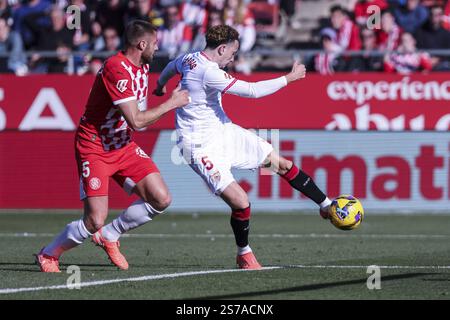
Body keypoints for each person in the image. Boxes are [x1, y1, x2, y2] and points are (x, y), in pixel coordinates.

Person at [153, 25, 332, 270]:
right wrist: (289, 78)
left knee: (280, 163)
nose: (233, 58)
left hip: (223, 131)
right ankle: (244, 254)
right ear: (222, 48)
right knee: (241, 201)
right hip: (197, 145)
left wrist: (160, 85)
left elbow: (171, 65)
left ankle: (326, 205)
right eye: (233, 52)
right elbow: (252, 91)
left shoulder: (189, 58)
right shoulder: (209, 71)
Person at [35, 20, 190, 273]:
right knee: (94, 219)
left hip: (122, 146)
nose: (157, 48)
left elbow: (138, 116)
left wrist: (162, 95)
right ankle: (49, 254)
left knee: (161, 199)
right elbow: (137, 121)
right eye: (154, 43)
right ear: (142, 44)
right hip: (94, 147)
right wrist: (172, 103)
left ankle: (110, 235)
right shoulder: (116, 69)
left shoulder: (142, 68)